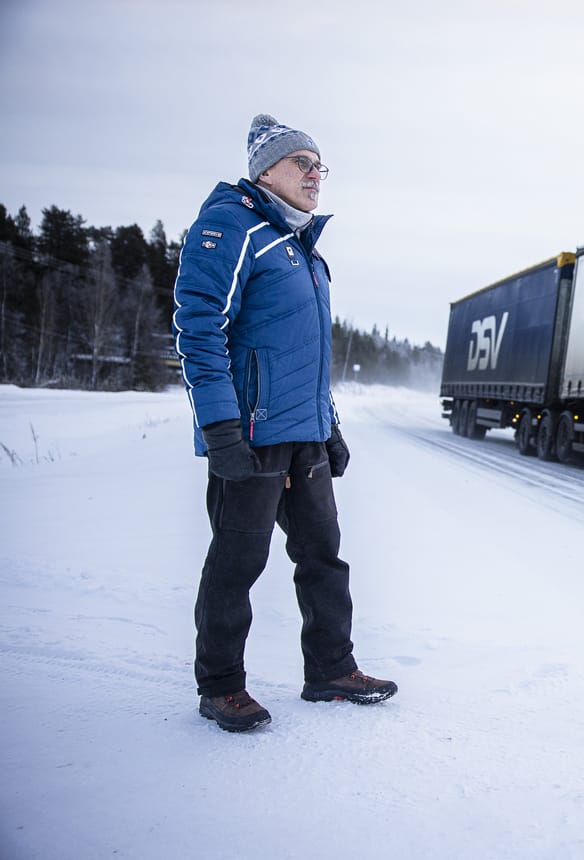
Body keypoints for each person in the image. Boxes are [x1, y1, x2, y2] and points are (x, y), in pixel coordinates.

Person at [172, 114, 396, 732]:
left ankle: (331, 668)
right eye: (302, 163)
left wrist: (330, 426)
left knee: (324, 556)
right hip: (250, 437)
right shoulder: (230, 227)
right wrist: (220, 430)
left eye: (320, 165)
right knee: (235, 567)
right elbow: (199, 331)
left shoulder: (301, 249)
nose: (315, 175)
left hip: (305, 437)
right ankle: (219, 687)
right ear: (265, 170)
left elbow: (308, 358)